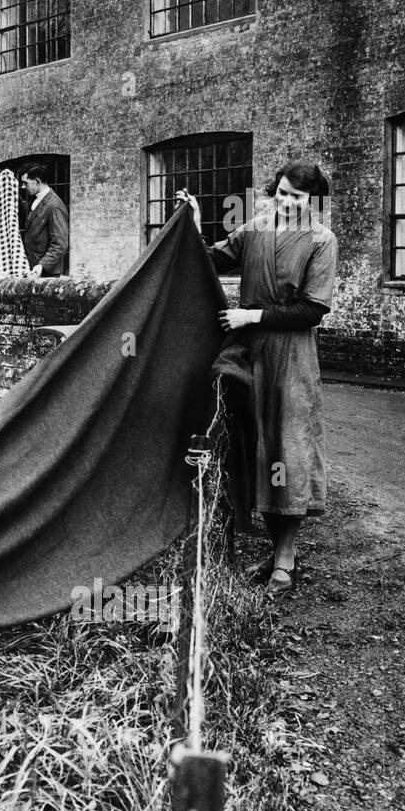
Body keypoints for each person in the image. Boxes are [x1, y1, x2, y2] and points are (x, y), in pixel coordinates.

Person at [176, 161, 338, 599]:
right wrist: (191, 223)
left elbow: (312, 310)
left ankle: (285, 559)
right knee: (256, 451)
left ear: (312, 201)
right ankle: (275, 551)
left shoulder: (322, 241)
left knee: (288, 452)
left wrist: (251, 315)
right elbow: (212, 259)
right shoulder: (256, 228)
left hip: (291, 360)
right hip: (249, 357)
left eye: (296, 197)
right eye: (281, 192)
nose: (285, 202)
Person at [19, 165, 69, 277]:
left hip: (46, 274)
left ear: (37, 181)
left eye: (25, 183)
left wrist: (42, 265)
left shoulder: (55, 206)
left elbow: (60, 245)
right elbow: (31, 217)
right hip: (31, 270)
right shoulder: (35, 199)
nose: (23, 187)